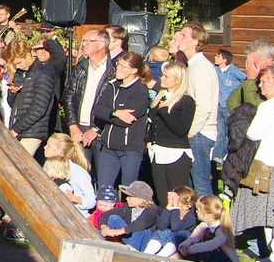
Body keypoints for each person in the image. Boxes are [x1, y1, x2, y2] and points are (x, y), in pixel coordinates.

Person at [231, 65, 274, 262]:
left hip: (266, 168)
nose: (260, 86)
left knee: (267, 214)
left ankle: (272, 256)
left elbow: (253, 134)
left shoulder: (269, 106)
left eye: (264, 81)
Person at [92, 50, 152, 199]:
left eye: (123, 67)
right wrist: (115, 112)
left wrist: (109, 114)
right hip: (108, 148)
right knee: (104, 190)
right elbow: (97, 109)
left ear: (134, 70)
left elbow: (129, 119)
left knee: (128, 192)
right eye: (118, 65)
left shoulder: (140, 90)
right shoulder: (112, 86)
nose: (117, 69)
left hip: (129, 149)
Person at [171, 25, 221, 197]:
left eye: (184, 36)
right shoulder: (192, 65)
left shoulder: (201, 68)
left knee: (201, 185)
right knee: (193, 186)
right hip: (196, 132)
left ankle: (213, 223)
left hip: (200, 133)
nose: (179, 39)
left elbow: (204, 106)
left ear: (196, 42)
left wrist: (191, 132)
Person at [146, 61, 196, 206]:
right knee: (162, 198)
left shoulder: (186, 101)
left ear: (177, 80)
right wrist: (149, 142)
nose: (161, 78)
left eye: (166, 76)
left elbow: (180, 130)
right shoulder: (160, 98)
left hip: (176, 153)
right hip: (157, 151)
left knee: (177, 198)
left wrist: (164, 112)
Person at [63, 27, 115, 164]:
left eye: (89, 41)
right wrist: (72, 125)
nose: (84, 44)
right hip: (79, 129)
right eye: (83, 41)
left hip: (101, 131)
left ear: (102, 44)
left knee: (101, 176)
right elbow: (69, 95)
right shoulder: (81, 67)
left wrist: (96, 129)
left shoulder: (113, 70)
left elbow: (113, 104)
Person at [5, 39, 58, 160]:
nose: (18, 66)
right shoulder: (21, 72)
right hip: (19, 128)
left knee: (20, 166)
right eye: (15, 64)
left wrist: (16, 129)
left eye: (19, 62)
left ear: (29, 55)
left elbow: (39, 109)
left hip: (32, 132)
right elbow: (12, 104)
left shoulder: (43, 74)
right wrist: (12, 92)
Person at [169, 195, 239, 262]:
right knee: (176, 256)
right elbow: (193, 237)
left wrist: (191, 249)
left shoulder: (221, 230)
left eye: (198, 210)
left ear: (207, 216)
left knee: (203, 254)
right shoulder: (203, 226)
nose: (196, 211)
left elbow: (211, 245)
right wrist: (183, 246)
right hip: (208, 258)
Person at [132, 186, 199, 253]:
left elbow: (176, 227)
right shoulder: (172, 210)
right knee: (161, 232)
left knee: (176, 234)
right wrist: (169, 206)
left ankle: (160, 257)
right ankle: (147, 254)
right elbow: (161, 226)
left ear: (187, 206)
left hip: (185, 244)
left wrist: (175, 207)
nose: (172, 202)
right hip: (169, 240)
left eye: (175, 200)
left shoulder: (193, 215)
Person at [44, 133, 95, 214]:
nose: (45, 147)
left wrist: (74, 198)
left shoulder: (78, 172)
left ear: (60, 151)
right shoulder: (47, 165)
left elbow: (91, 201)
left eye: (49, 145)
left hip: (75, 216)